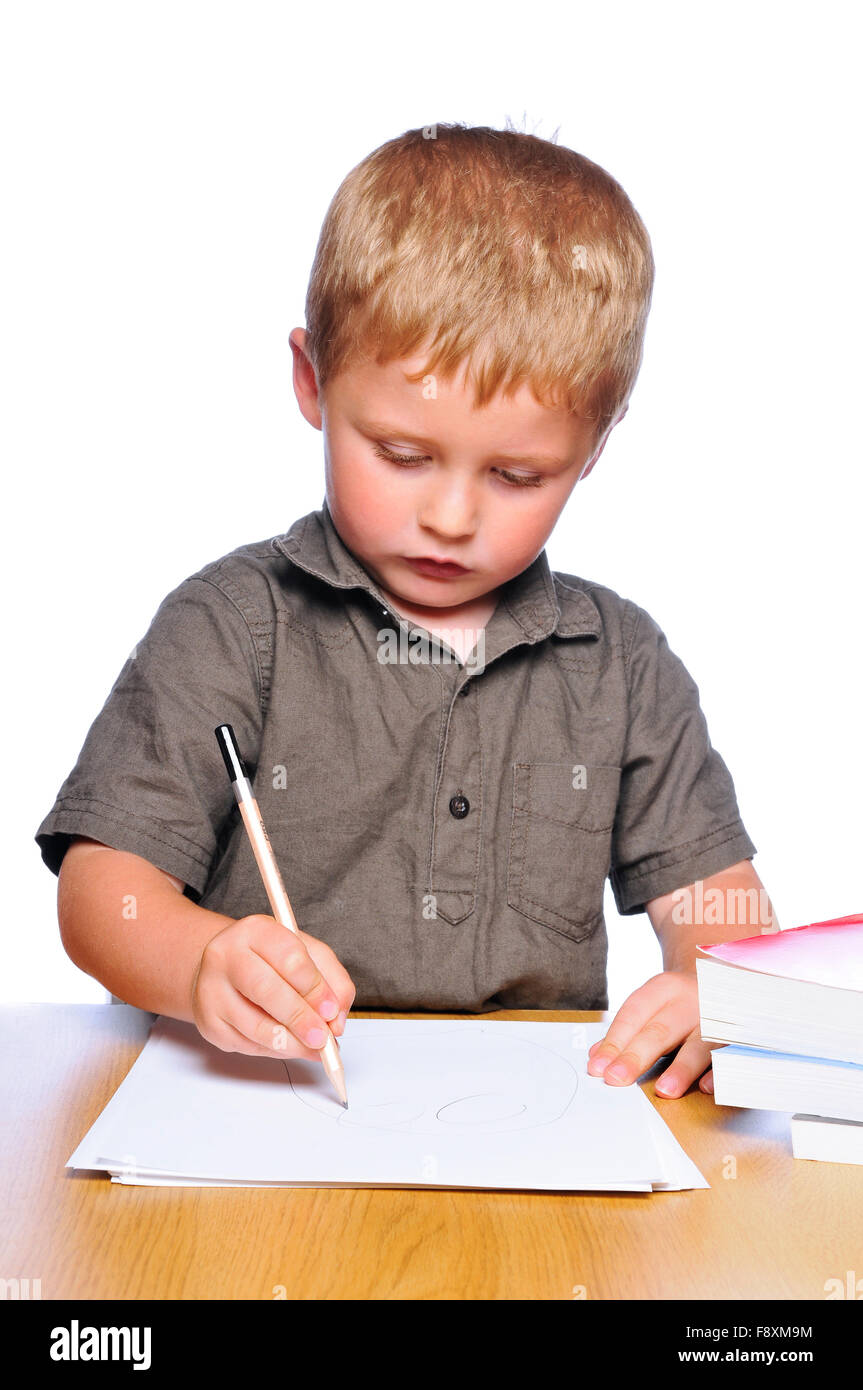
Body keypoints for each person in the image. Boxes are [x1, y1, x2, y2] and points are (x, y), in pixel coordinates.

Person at [35, 122, 776, 1100]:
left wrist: (711, 987)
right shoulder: (229, 624)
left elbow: (724, 914)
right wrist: (202, 959)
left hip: (536, 1136)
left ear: (592, 447)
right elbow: (101, 898)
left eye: (516, 474)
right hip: (254, 1111)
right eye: (400, 454)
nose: (450, 514)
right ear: (312, 381)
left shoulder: (621, 667)